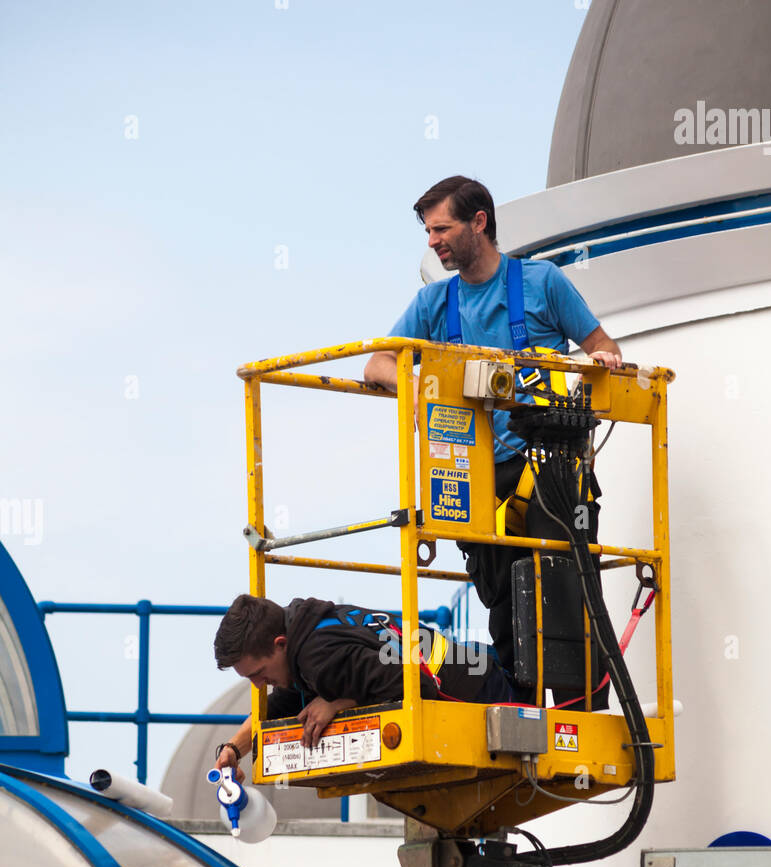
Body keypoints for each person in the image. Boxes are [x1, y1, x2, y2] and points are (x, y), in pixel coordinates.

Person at [363, 174, 621, 708]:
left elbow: (602, 346)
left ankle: (579, 715)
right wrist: (412, 386)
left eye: (442, 228)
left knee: (564, 587)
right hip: (476, 474)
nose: (433, 241)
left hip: (549, 463)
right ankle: (522, 709)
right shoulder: (435, 303)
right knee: (504, 602)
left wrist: (602, 363)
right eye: (429, 231)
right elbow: (376, 363)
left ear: (479, 222)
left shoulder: (541, 283)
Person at [212, 592, 520, 778]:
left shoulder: (317, 657)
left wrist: (336, 704)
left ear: (280, 644)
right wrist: (233, 750)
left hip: (483, 695)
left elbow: (420, 688)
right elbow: (278, 706)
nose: (258, 685)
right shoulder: (305, 630)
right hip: (477, 666)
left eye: (259, 673)